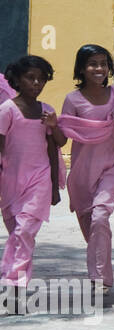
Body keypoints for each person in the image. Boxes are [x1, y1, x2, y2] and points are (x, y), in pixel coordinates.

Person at [59, 45, 114, 303]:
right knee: (91, 228)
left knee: (101, 216)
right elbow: (62, 135)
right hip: (81, 174)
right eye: (93, 64)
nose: (99, 69)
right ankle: (100, 271)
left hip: (109, 167)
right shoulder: (73, 100)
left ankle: (100, 281)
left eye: (103, 63)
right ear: (82, 68)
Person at [0, 56, 65, 295]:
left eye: (42, 79)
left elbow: (57, 144)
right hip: (11, 181)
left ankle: (13, 285)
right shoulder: (7, 110)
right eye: (31, 78)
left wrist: (54, 186)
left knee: (25, 230)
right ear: (17, 80)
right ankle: (13, 275)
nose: (36, 83)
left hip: (39, 179)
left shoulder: (47, 111)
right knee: (18, 234)